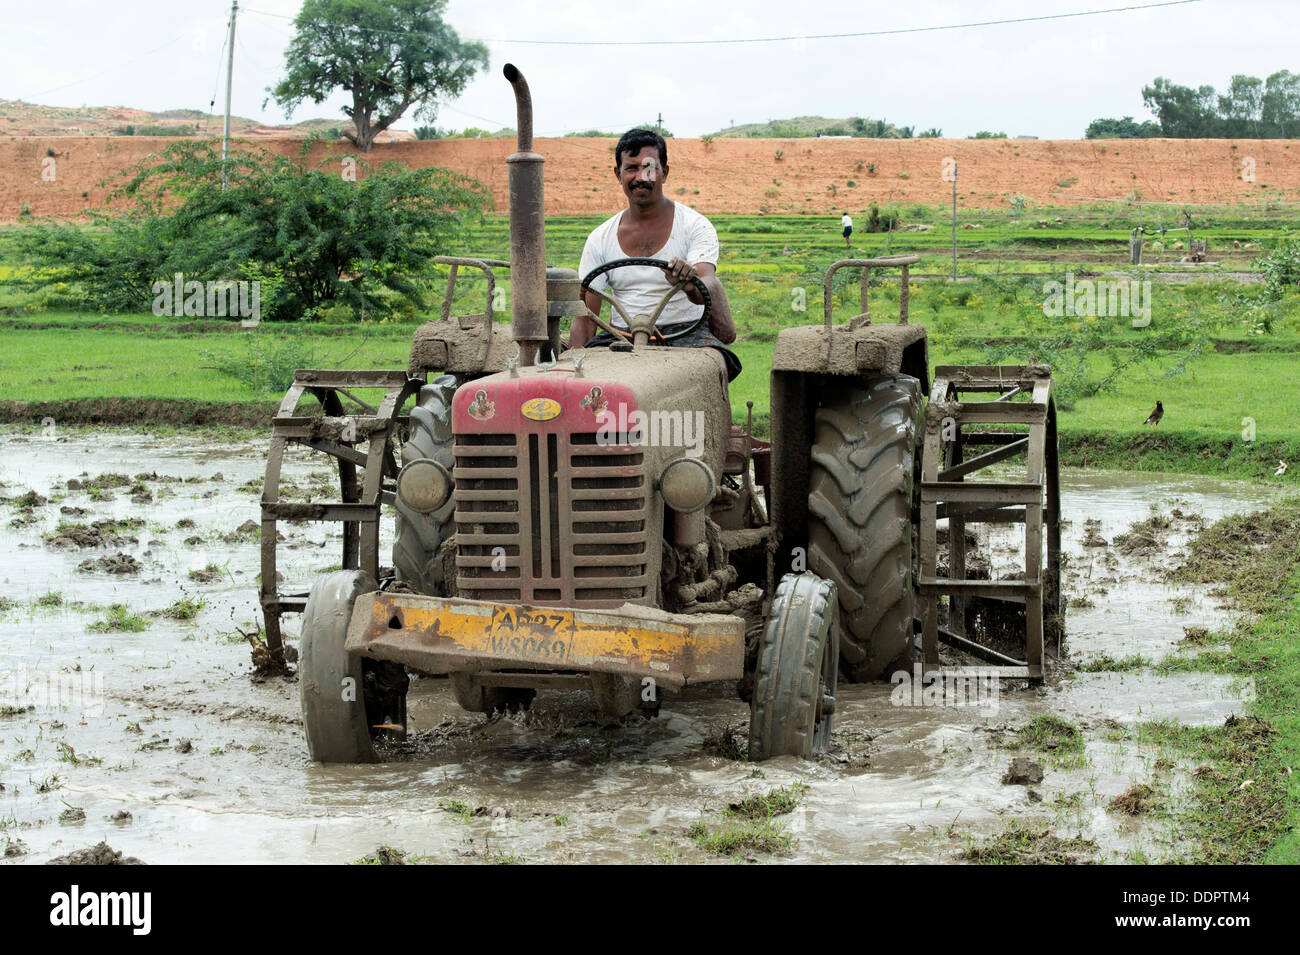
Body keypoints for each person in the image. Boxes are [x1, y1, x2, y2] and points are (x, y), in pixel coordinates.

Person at [572, 128, 740, 381]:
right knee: (597, 382)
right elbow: (586, 317)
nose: (642, 177)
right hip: (621, 335)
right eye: (631, 168)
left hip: (685, 334)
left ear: (665, 172)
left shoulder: (695, 225)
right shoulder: (599, 238)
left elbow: (706, 283)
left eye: (650, 167)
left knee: (708, 370)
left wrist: (688, 283)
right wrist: (575, 366)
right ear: (618, 174)